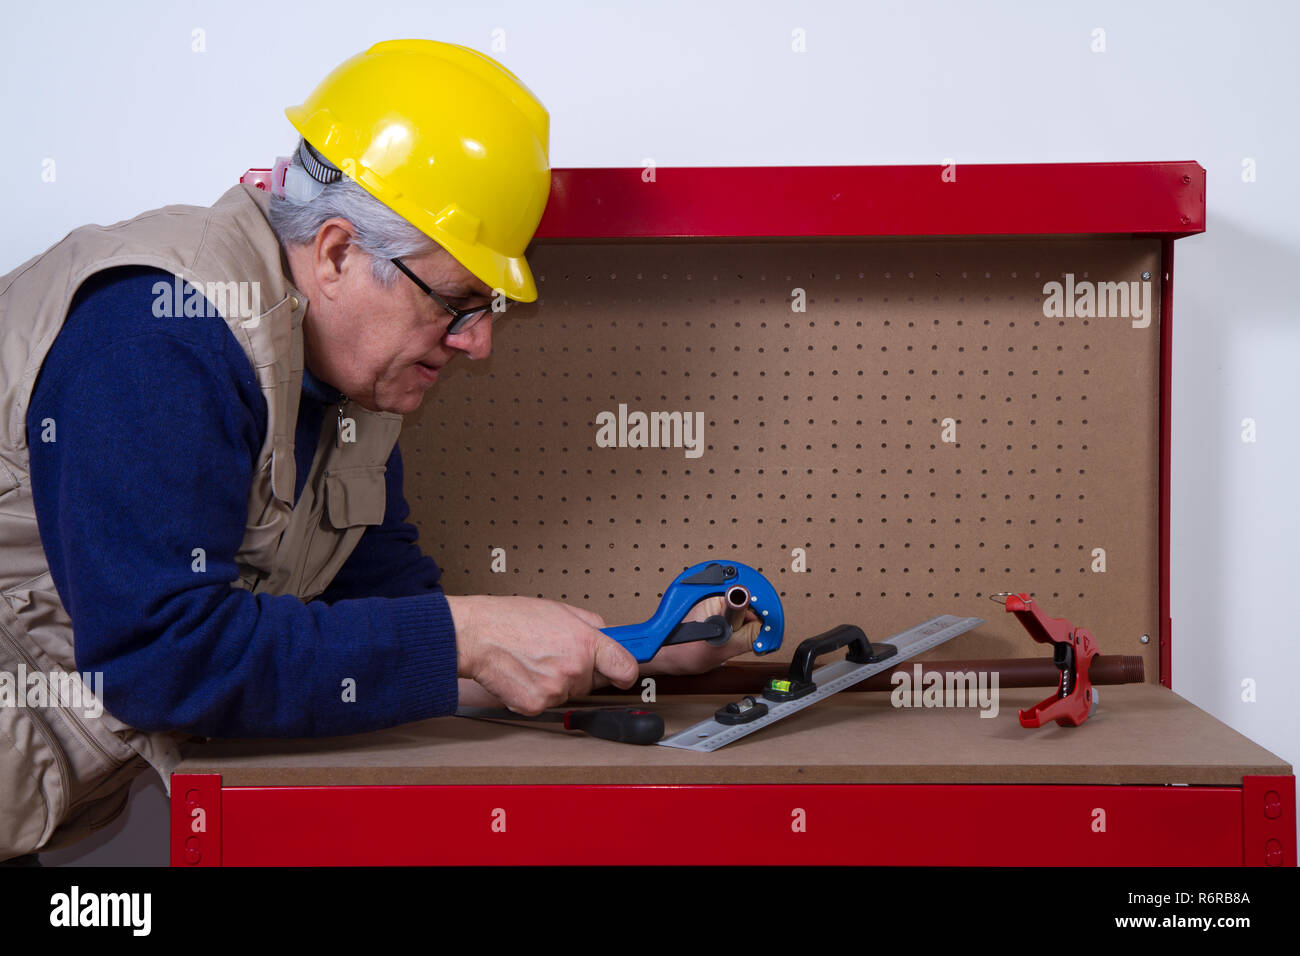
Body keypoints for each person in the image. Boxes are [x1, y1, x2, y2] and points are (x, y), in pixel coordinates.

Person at [0, 39, 757, 864]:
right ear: (335, 253)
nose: (480, 344)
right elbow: (157, 662)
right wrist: (468, 634)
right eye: (459, 302)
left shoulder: (349, 388)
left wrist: (631, 648)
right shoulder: (158, 334)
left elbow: (385, 642)